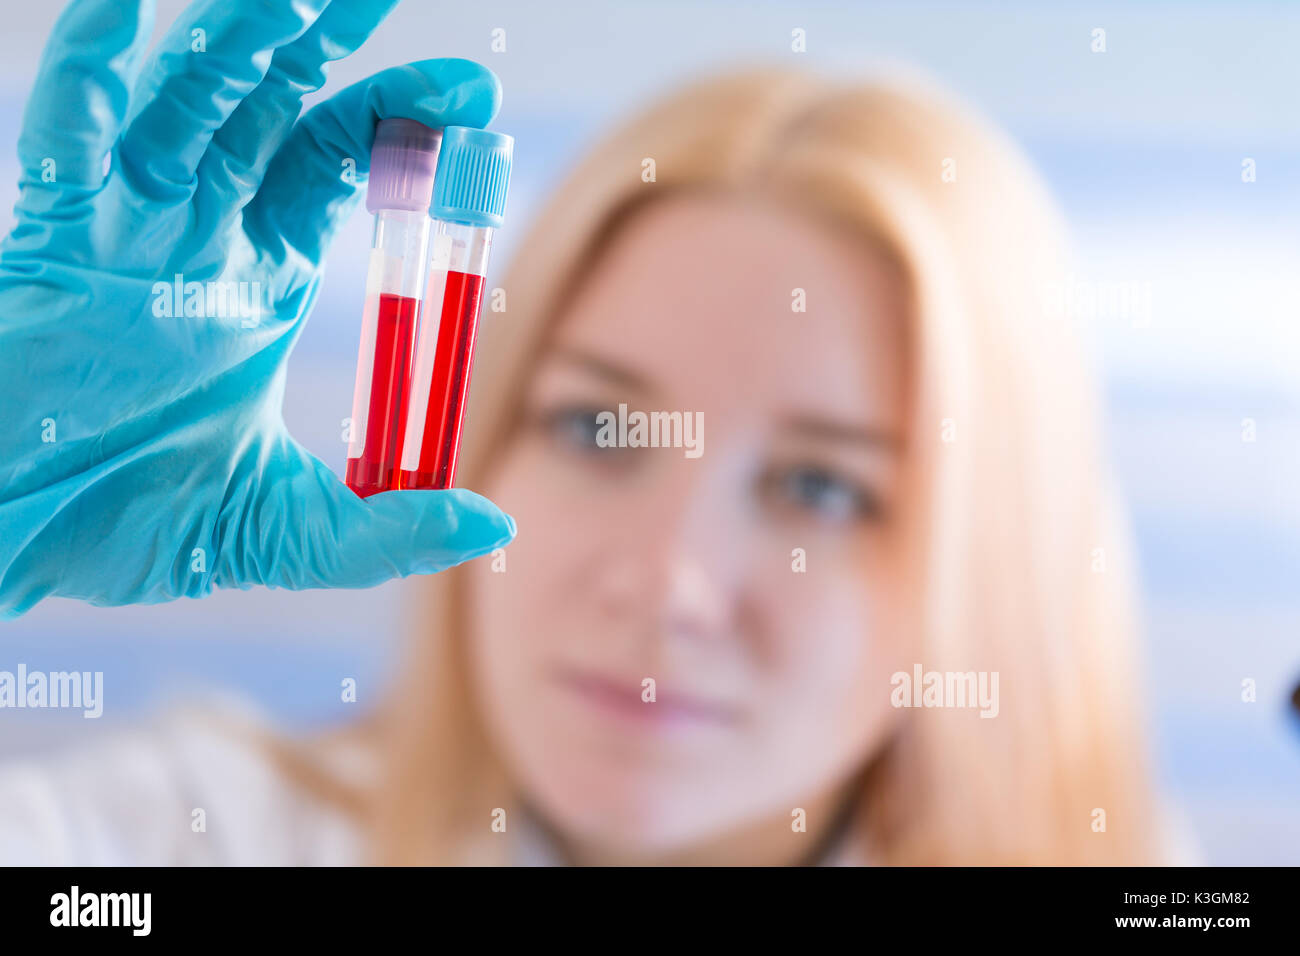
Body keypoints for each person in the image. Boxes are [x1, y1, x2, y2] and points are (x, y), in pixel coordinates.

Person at [0, 0, 1186, 865]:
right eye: (597, 427)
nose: (667, 583)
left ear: (993, 564)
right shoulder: (165, 841)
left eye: (823, 489)